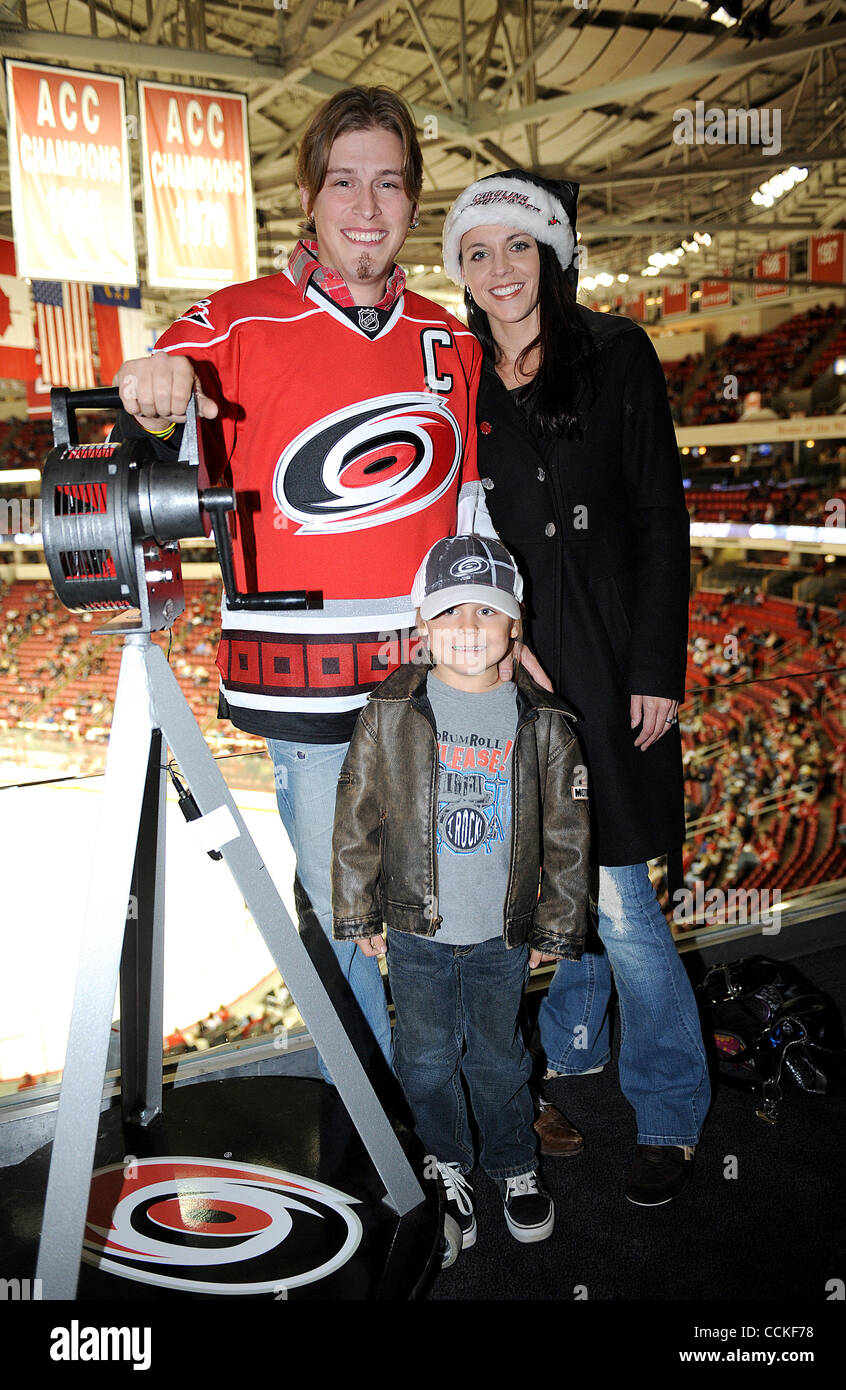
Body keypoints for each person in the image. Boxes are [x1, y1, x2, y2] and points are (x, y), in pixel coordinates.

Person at [113, 87, 498, 1085]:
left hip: (428, 690)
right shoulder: (237, 318)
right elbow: (150, 403)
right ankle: (379, 1132)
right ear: (309, 195)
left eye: (389, 183)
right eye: (344, 182)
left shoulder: (449, 341)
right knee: (349, 921)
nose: (366, 207)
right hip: (306, 695)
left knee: (434, 908)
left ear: (413, 202)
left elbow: (468, 511)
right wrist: (152, 384)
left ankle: (436, 1110)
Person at [441, 169, 711, 1205]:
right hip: (508, 673)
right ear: (459, 271)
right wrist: (499, 643)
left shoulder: (617, 352)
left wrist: (654, 668)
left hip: (608, 665)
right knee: (537, 885)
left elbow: (658, 517)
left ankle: (672, 1110)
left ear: (551, 253)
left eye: (517, 247)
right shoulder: (458, 374)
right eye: (476, 252)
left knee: (622, 897)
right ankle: (575, 1042)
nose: (498, 269)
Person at [331, 534, 590, 1258]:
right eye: (449, 612)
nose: (468, 628)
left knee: (500, 1057)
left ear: (516, 623)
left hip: (502, 932)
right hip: (416, 928)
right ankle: (445, 1163)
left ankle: (513, 1162)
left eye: (487, 610)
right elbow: (357, 811)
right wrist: (358, 908)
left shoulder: (545, 724)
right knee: (423, 1057)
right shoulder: (389, 710)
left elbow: (569, 835)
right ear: (421, 624)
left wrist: (558, 923)